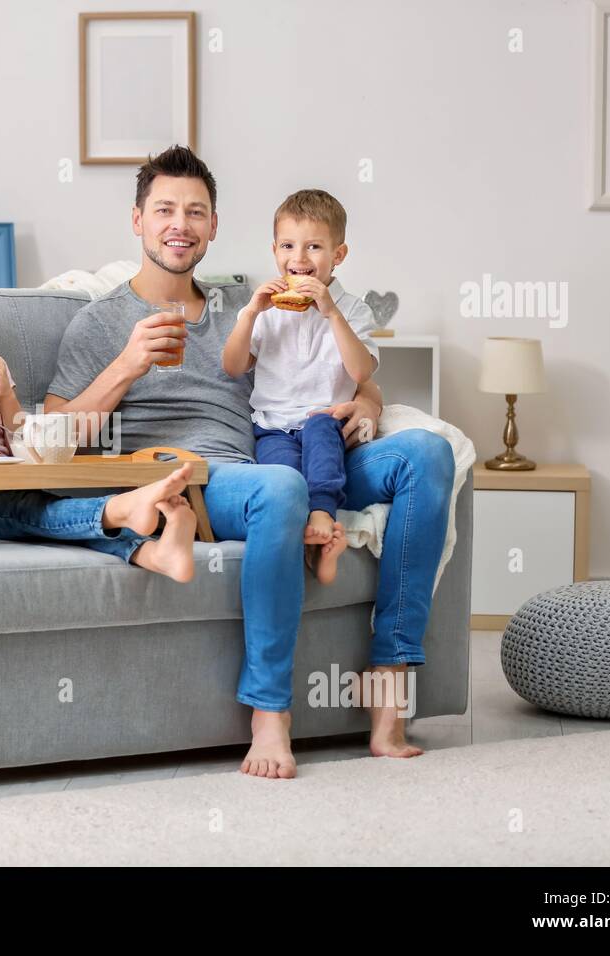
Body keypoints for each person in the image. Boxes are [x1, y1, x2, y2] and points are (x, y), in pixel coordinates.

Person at [44, 147, 455, 777]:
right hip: (208, 480)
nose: (179, 223)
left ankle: (389, 684)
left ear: (213, 226)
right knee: (285, 489)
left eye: (195, 211)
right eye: (163, 210)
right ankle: (270, 714)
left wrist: (367, 402)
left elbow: (334, 362)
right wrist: (127, 364)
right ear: (137, 220)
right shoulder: (100, 322)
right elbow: (54, 442)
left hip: (279, 452)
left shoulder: (251, 301)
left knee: (427, 453)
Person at [0, 254, 198, 582]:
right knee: (35, 513)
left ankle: (153, 553)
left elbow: (23, 444)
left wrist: (4, 393)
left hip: (2, 486)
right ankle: (120, 508)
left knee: (48, 516)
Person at [221, 188, 380, 587]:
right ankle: (318, 549)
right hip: (272, 425)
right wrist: (251, 313)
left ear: (338, 255)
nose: (300, 259)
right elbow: (233, 366)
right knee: (284, 482)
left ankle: (324, 513)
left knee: (321, 444)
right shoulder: (266, 309)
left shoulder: (353, 309)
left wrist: (331, 312)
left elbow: (361, 372)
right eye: (289, 246)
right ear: (275, 250)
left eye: (314, 247)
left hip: (323, 420)